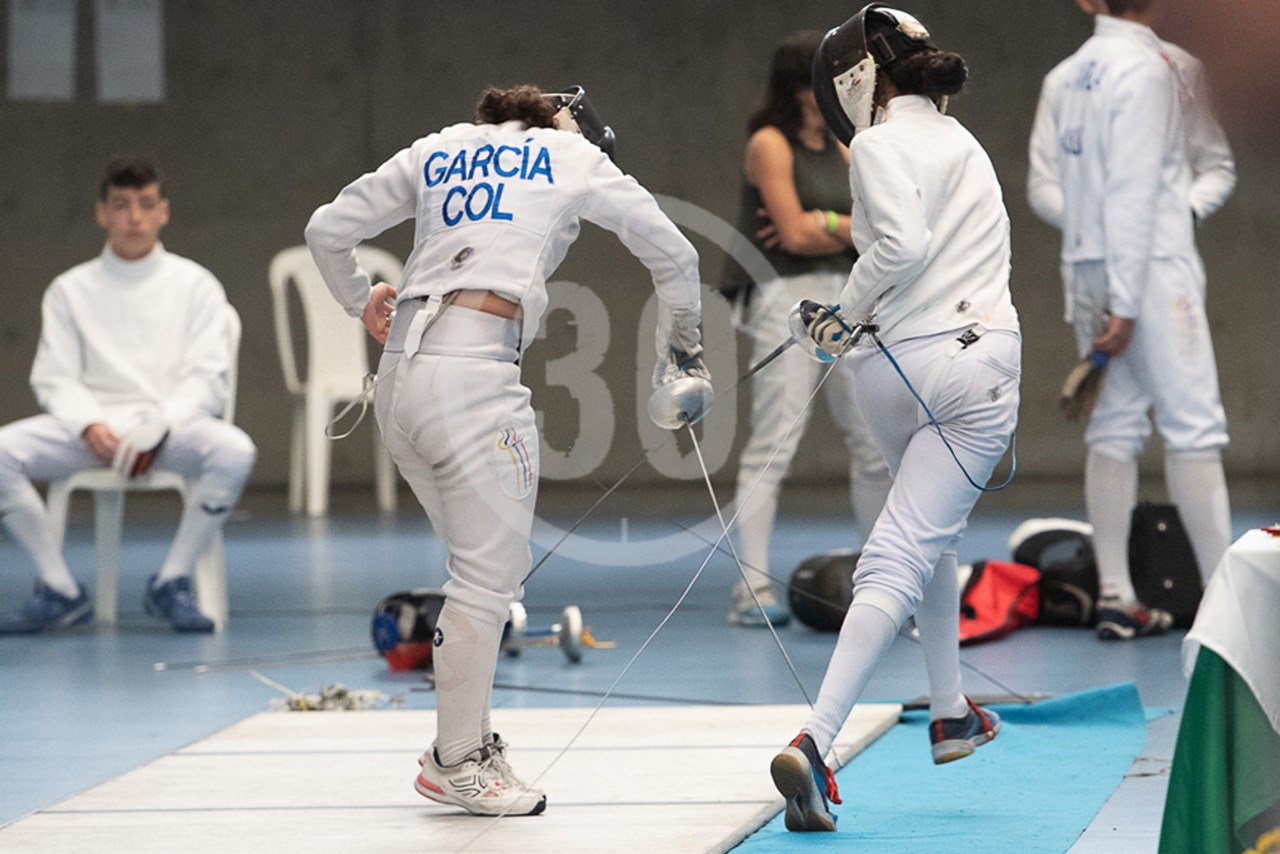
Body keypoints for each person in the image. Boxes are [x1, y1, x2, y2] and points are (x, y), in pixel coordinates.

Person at [305, 84, 707, 818]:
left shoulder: (438, 147)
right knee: (489, 581)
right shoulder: (568, 153)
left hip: (397, 383)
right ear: (556, 123)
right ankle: (454, 762)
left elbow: (326, 229)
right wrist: (683, 358)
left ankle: (465, 745)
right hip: (473, 379)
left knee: (481, 578)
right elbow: (674, 254)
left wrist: (359, 298)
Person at [768, 6, 1020, 832]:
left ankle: (949, 711)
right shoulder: (967, 144)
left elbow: (897, 248)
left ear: (850, 85)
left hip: (892, 367)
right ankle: (818, 740)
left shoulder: (875, 144)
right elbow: (912, 247)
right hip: (975, 367)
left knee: (916, 539)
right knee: (911, 546)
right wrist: (851, 310)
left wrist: (840, 315)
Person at [1026, 0, 1234, 640]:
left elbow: (1211, 170)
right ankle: (1229, 610)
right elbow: (1132, 191)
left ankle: (1117, 593)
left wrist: (1170, 216)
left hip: (1096, 268)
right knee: (1193, 427)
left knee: (1113, 427)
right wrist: (1127, 292)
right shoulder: (1154, 71)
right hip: (1147, 273)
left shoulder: (1072, 75)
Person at [0, 158, 257, 635]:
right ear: (102, 213)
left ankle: (172, 579)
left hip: (168, 430)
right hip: (90, 431)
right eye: (121, 205)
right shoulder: (69, 290)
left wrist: (159, 426)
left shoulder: (196, 285)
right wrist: (87, 424)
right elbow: (55, 376)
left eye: (145, 205)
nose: (133, 217)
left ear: (163, 212)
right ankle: (59, 587)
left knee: (235, 450)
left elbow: (206, 378)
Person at [720, 31, 891, 628]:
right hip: (786, 297)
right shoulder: (769, 143)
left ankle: (880, 580)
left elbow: (877, 229)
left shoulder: (847, 148)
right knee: (775, 440)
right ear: (801, 85)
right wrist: (837, 226)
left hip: (848, 296)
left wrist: (828, 221)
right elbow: (792, 236)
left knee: (872, 441)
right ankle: (752, 587)